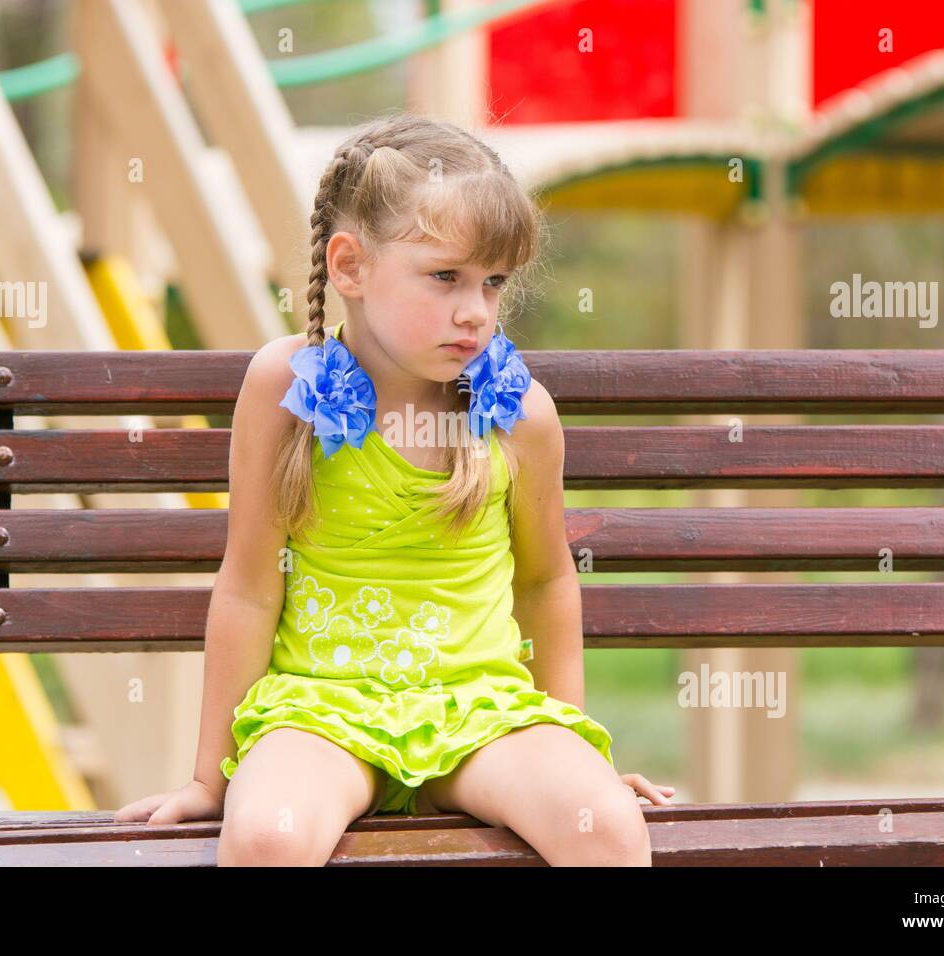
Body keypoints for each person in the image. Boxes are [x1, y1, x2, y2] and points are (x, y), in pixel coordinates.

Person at [115, 111, 674, 866]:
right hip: (324, 712)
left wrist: (570, 744)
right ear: (350, 267)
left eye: (493, 282)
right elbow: (248, 586)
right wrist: (209, 779)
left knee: (603, 826)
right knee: (266, 837)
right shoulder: (285, 389)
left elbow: (545, 582)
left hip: (480, 711)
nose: (475, 310)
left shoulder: (518, 414)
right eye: (445, 276)